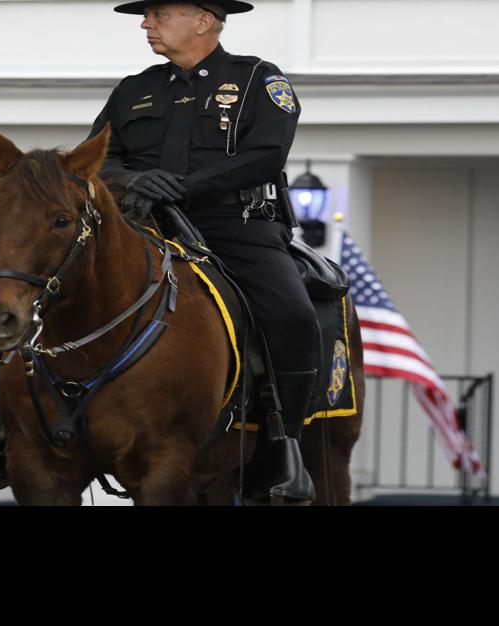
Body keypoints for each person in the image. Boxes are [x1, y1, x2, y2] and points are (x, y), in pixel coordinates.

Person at [91, 1, 321, 502]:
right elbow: (98, 157)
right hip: (140, 223)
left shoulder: (259, 79)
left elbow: (267, 156)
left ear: (202, 20)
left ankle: (285, 443)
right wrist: (132, 178)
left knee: (292, 314)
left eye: (158, 13)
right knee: (55, 283)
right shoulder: (135, 88)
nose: (145, 23)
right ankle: (2, 427)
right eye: (146, 15)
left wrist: (187, 188)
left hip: (233, 225)